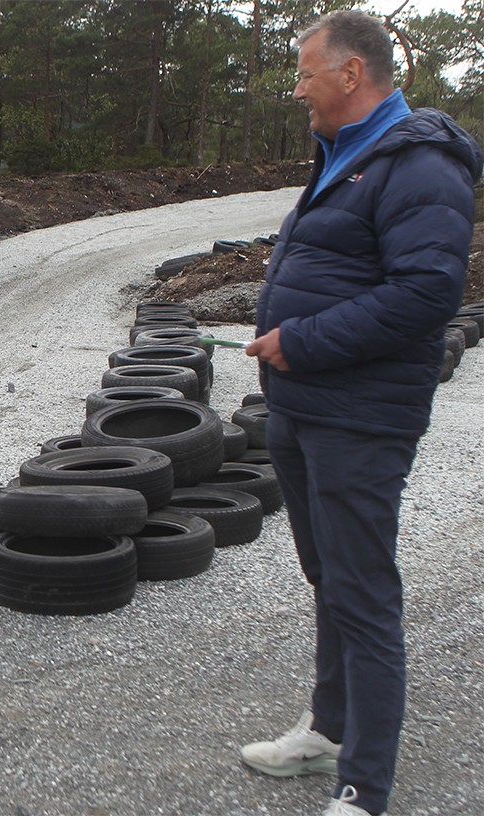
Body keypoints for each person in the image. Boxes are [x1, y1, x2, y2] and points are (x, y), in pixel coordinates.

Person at [242, 11, 481, 816]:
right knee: (327, 578)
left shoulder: (419, 163)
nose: (298, 89)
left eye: (306, 73)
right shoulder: (345, 153)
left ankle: (364, 783)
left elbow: (428, 295)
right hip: (304, 407)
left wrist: (300, 340)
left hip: (360, 416)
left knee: (363, 591)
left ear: (351, 75)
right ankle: (328, 728)